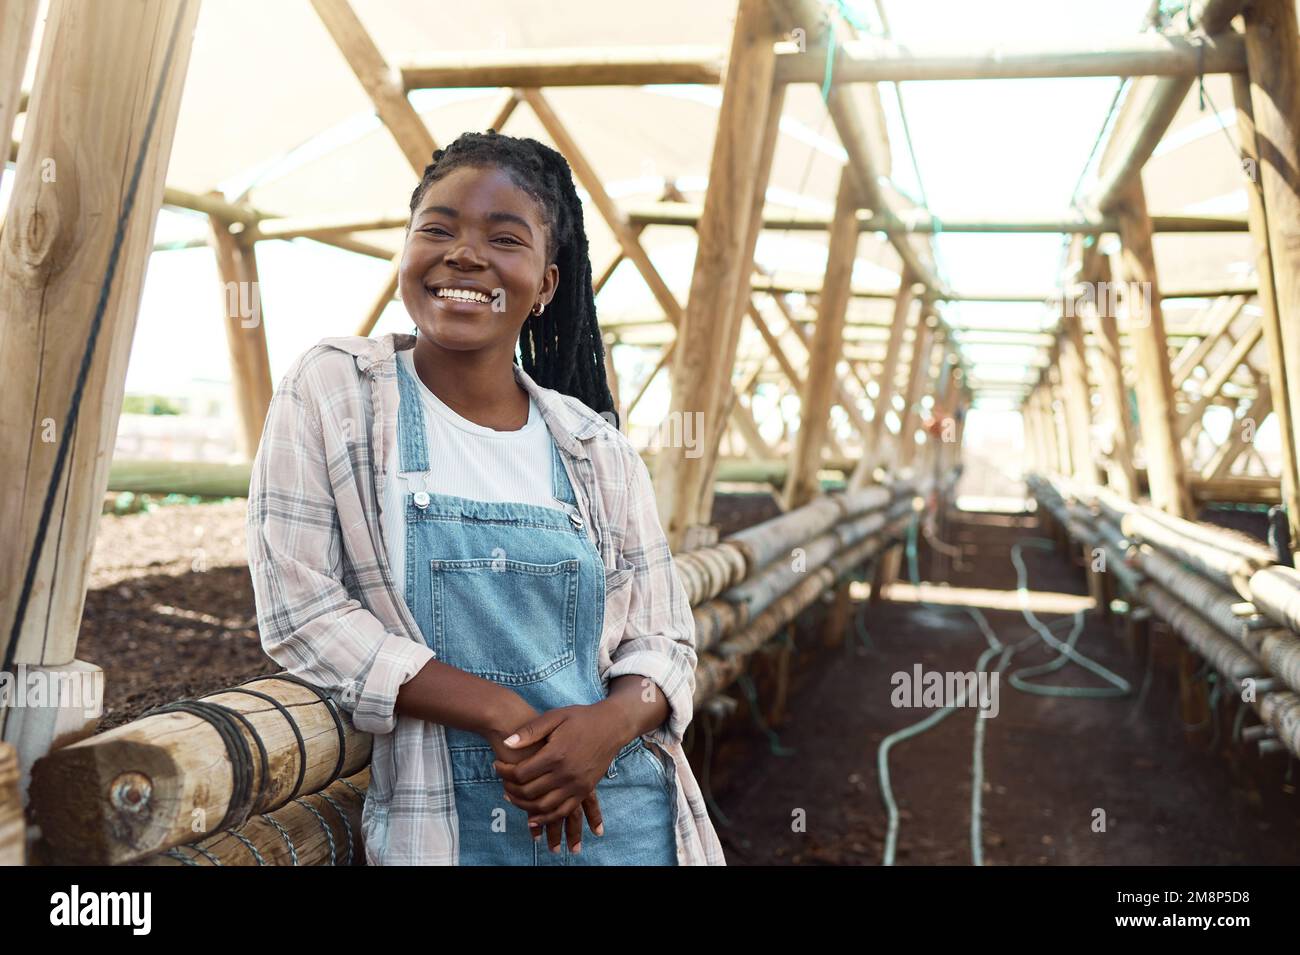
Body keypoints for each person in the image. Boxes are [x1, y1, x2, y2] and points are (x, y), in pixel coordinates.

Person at [246, 129, 725, 866]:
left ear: (546, 285)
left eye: (505, 238)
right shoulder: (337, 391)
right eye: (436, 228)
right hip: (450, 829)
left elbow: (665, 642)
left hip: (625, 822)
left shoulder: (596, 450)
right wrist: (498, 708)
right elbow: (301, 610)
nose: (464, 253)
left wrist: (605, 727)